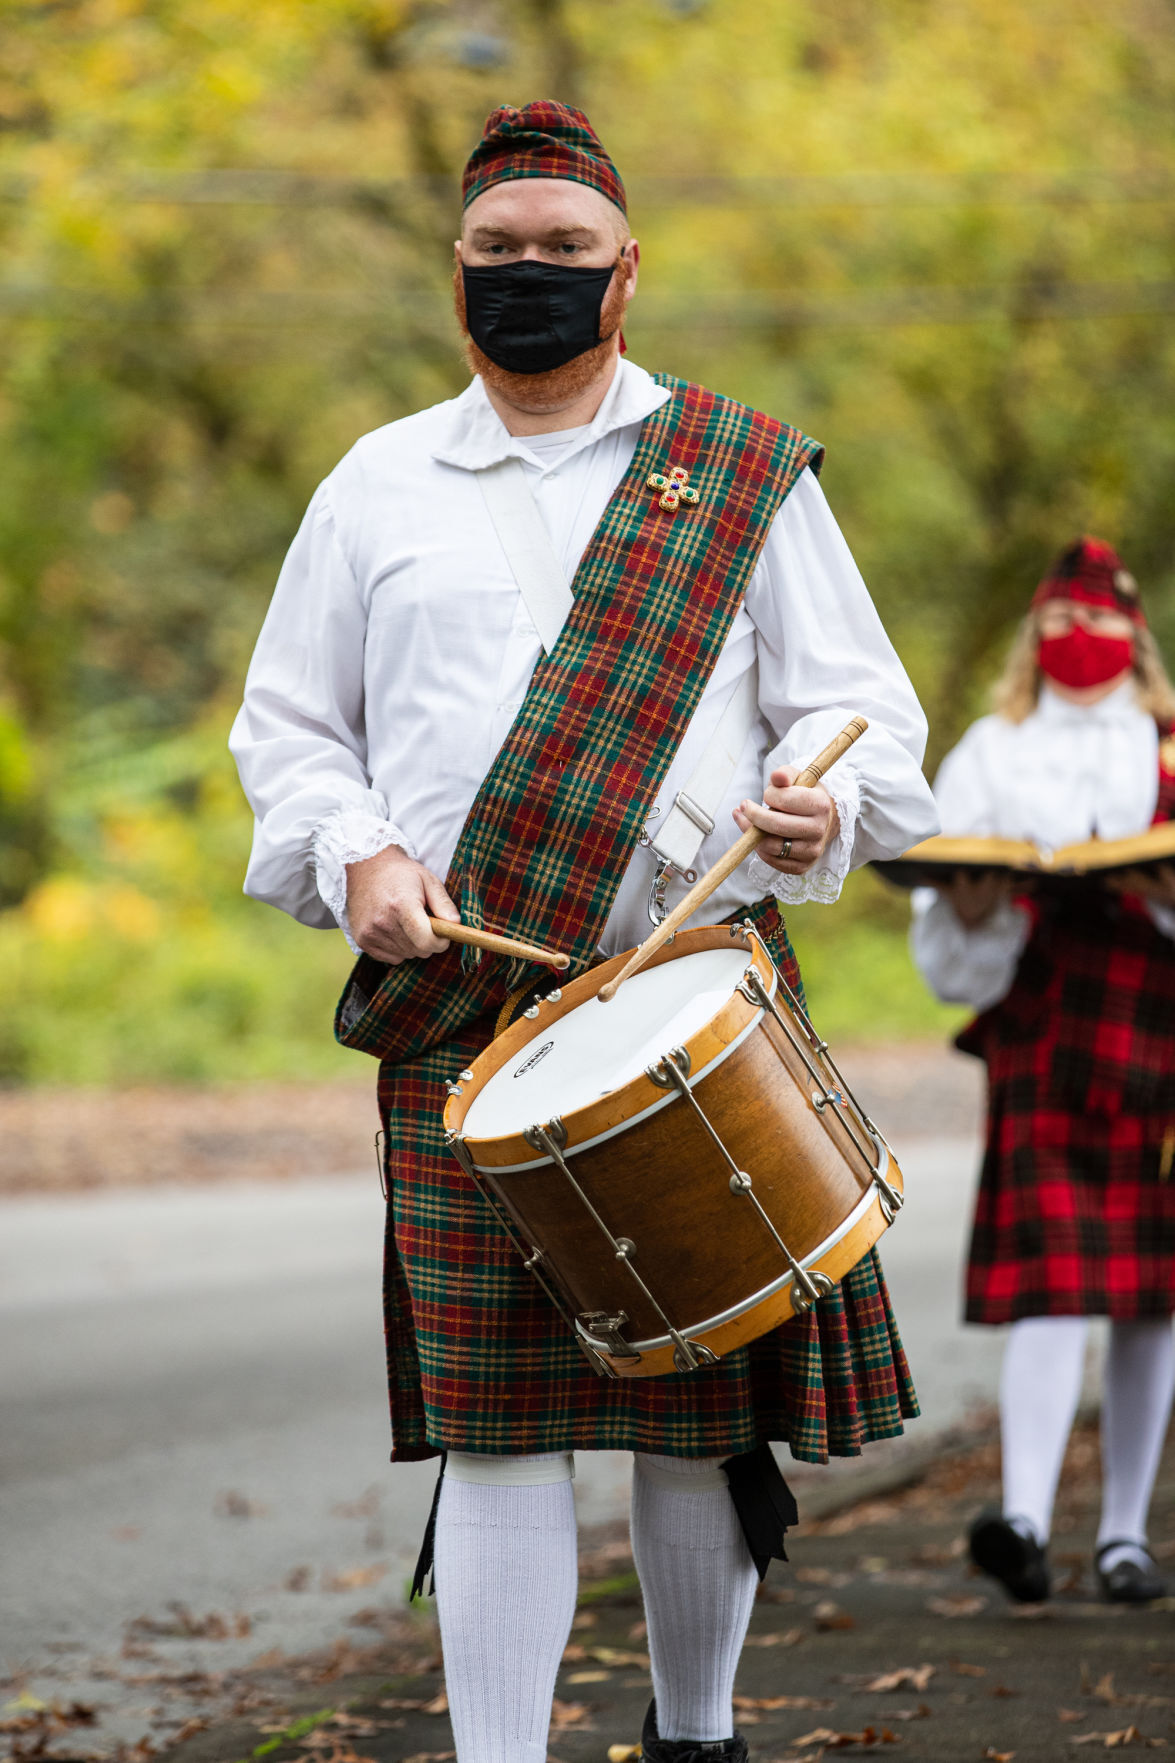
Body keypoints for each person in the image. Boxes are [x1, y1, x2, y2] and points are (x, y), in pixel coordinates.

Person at [231, 101, 938, 1763]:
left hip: (695, 996)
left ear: (628, 275)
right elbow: (289, 728)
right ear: (455, 272)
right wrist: (358, 852)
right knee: (496, 1433)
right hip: (464, 997)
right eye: (499, 255)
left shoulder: (738, 472)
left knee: (691, 1428)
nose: (529, 279)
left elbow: (866, 714)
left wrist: (822, 799)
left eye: (563, 254)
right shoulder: (376, 482)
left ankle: (698, 1734)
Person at [910, 536, 1175, 1606]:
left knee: (1153, 1293)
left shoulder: (1169, 744)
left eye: (1100, 622)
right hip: (1039, 1019)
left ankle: (1122, 1534)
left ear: (1135, 634)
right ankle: (1020, 1515)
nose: (1080, 641)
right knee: (1051, 1281)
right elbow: (944, 914)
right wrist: (969, 907)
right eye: (1058, 623)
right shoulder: (988, 744)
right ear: (1033, 634)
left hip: (1155, 1025)